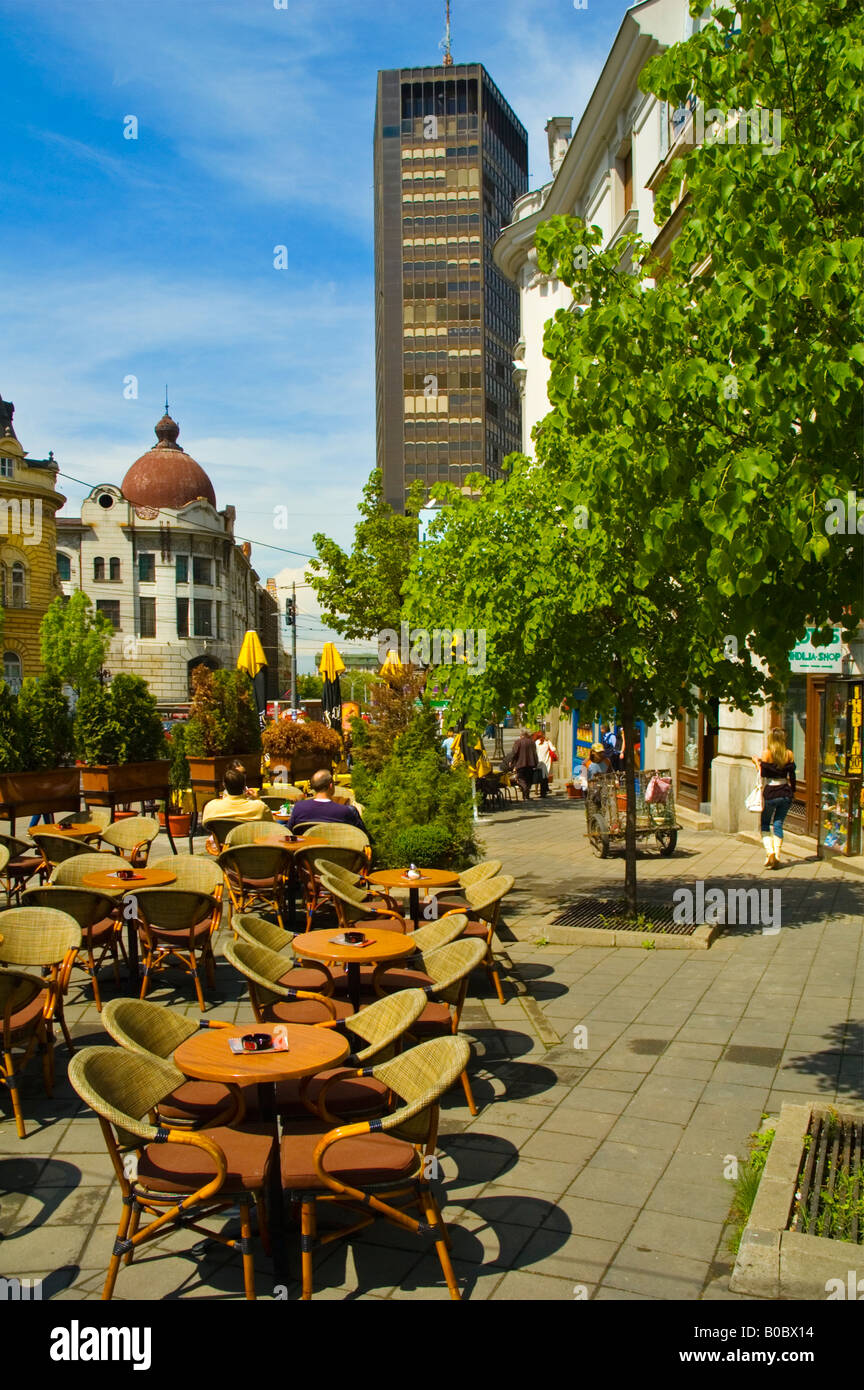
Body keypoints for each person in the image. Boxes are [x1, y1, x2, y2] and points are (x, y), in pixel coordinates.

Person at [752, 728, 796, 870]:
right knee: (778, 823)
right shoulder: (788, 754)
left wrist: (756, 763)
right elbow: (792, 776)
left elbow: (763, 774)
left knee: (765, 823)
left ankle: (770, 851)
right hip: (785, 792)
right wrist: (792, 791)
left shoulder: (767, 753)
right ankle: (776, 854)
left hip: (771, 792)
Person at [287, 769, 368, 834]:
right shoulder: (346, 811)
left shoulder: (299, 807)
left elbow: (289, 832)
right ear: (331, 785)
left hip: (305, 852)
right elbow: (363, 837)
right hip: (338, 852)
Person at [201, 762, 271, 824]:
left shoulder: (211, 806)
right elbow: (271, 825)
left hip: (223, 839)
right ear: (244, 783)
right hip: (247, 838)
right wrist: (258, 799)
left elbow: (207, 826)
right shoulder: (259, 807)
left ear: (224, 784)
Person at [508, 727, 539, 801]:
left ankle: (525, 792)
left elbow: (514, 753)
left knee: (521, 779)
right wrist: (536, 762)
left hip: (520, 764)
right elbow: (535, 753)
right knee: (528, 779)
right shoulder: (532, 742)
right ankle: (526, 796)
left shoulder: (518, 742)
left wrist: (511, 761)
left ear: (521, 735)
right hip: (531, 764)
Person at [533, 731, 556, 799]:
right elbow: (553, 749)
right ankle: (543, 791)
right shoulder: (547, 742)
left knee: (538, 776)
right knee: (544, 777)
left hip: (538, 762)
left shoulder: (536, 742)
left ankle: (537, 790)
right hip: (546, 762)